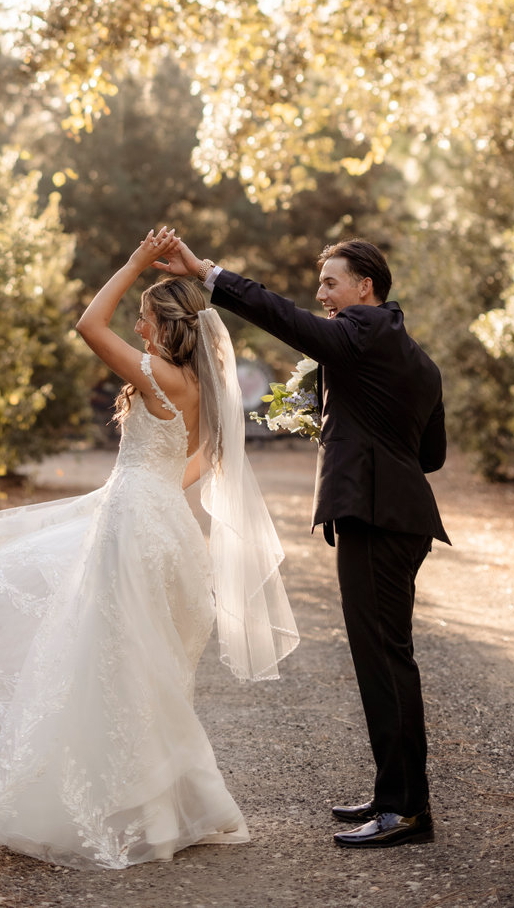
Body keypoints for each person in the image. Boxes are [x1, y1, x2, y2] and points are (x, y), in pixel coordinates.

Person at [0, 229, 298, 871]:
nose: (137, 324)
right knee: (146, 664)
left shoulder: (154, 374)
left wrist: (133, 264)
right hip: (166, 527)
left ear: (162, 328)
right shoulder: (200, 386)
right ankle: (166, 810)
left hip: (133, 526)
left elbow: (89, 325)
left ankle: (143, 813)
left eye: (144, 316)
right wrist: (153, 489)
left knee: (117, 658)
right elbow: (208, 454)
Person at [154, 231, 448, 849]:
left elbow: (280, 315)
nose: (321, 295)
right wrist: (347, 429)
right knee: (388, 655)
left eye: (331, 283)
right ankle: (395, 792)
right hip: (403, 516)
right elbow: (432, 454)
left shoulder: (360, 335)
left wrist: (208, 274)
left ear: (365, 287)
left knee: (384, 660)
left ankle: (407, 811)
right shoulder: (417, 357)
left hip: (374, 517)